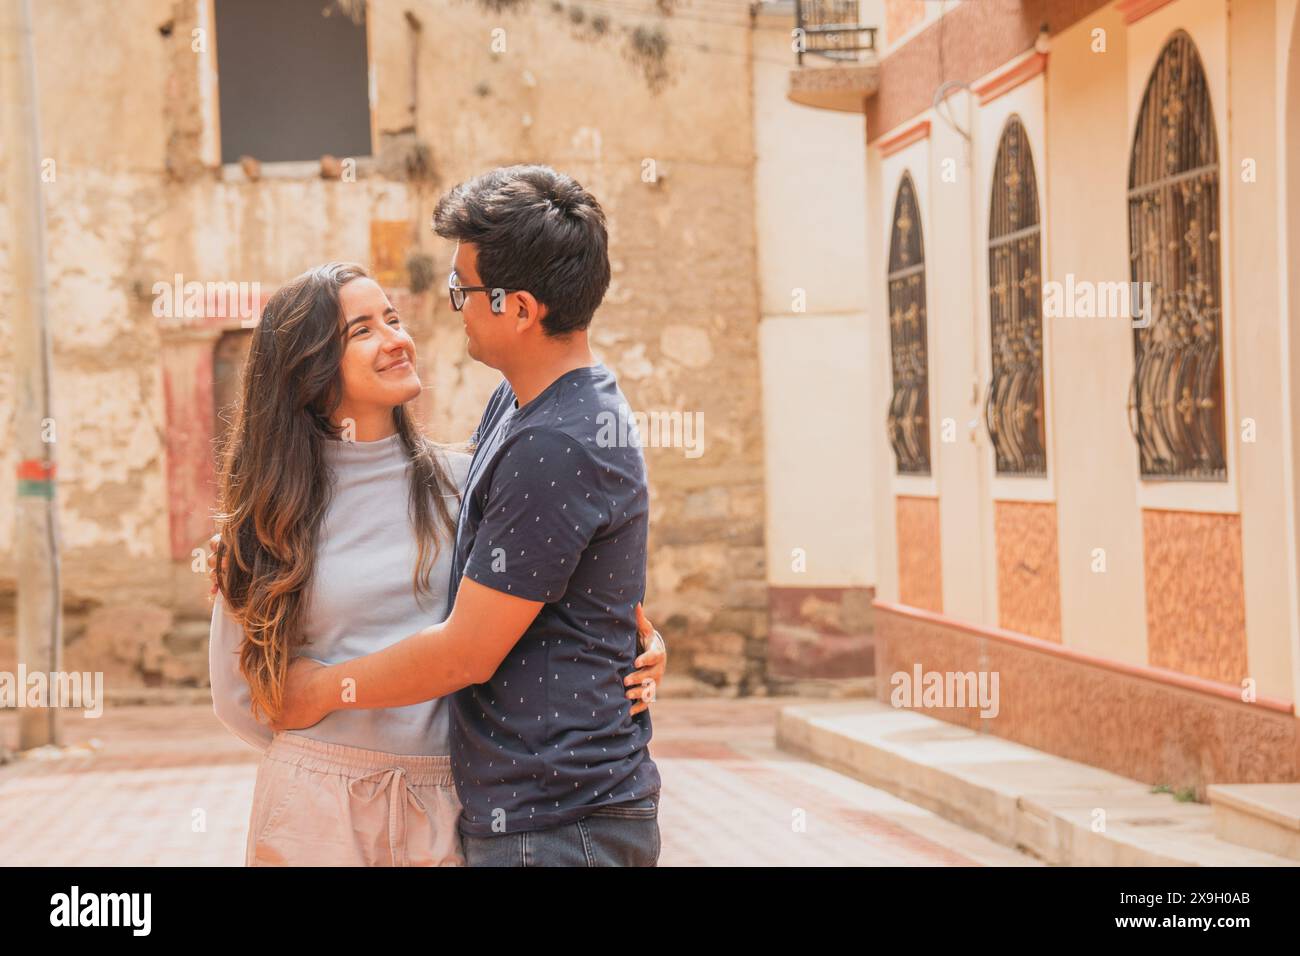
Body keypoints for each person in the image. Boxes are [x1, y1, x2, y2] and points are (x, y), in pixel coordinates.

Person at [208, 259, 666, 867]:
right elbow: (239, 693)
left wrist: (639, 646)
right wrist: (330, 753)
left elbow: (546, 604)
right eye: (362, 330)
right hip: (317, 802)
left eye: (393, 319)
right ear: (309, 368)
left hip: (450, 798)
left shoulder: (467, 485)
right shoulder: (267, 519)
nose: (397, 340)